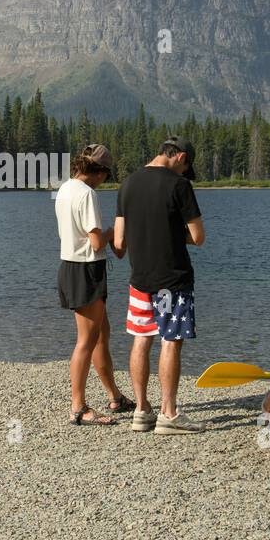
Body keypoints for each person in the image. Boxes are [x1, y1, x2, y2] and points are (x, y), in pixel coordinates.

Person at [113, 136, 206, 435]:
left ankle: (141, 411)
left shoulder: (127, 184)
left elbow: (119, 241)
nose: (184, 174)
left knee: (142, 339)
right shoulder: (179, 186)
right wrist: (172, 233)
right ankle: (169, 413)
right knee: (170, 340)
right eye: (185, 167)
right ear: (180, 157)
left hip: (139, 279)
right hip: (172, 281)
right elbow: (198, 236)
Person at [55, 144, 131, 426]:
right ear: (98, 171)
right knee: (86, 342)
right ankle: (79, 408)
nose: (104, 181)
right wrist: (114, 231)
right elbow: (97, 242)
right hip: (85, 270)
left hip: (72, 267)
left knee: (101, 335)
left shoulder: (64, 189)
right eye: (106, 175)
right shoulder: (87, 194)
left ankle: (114, 397)